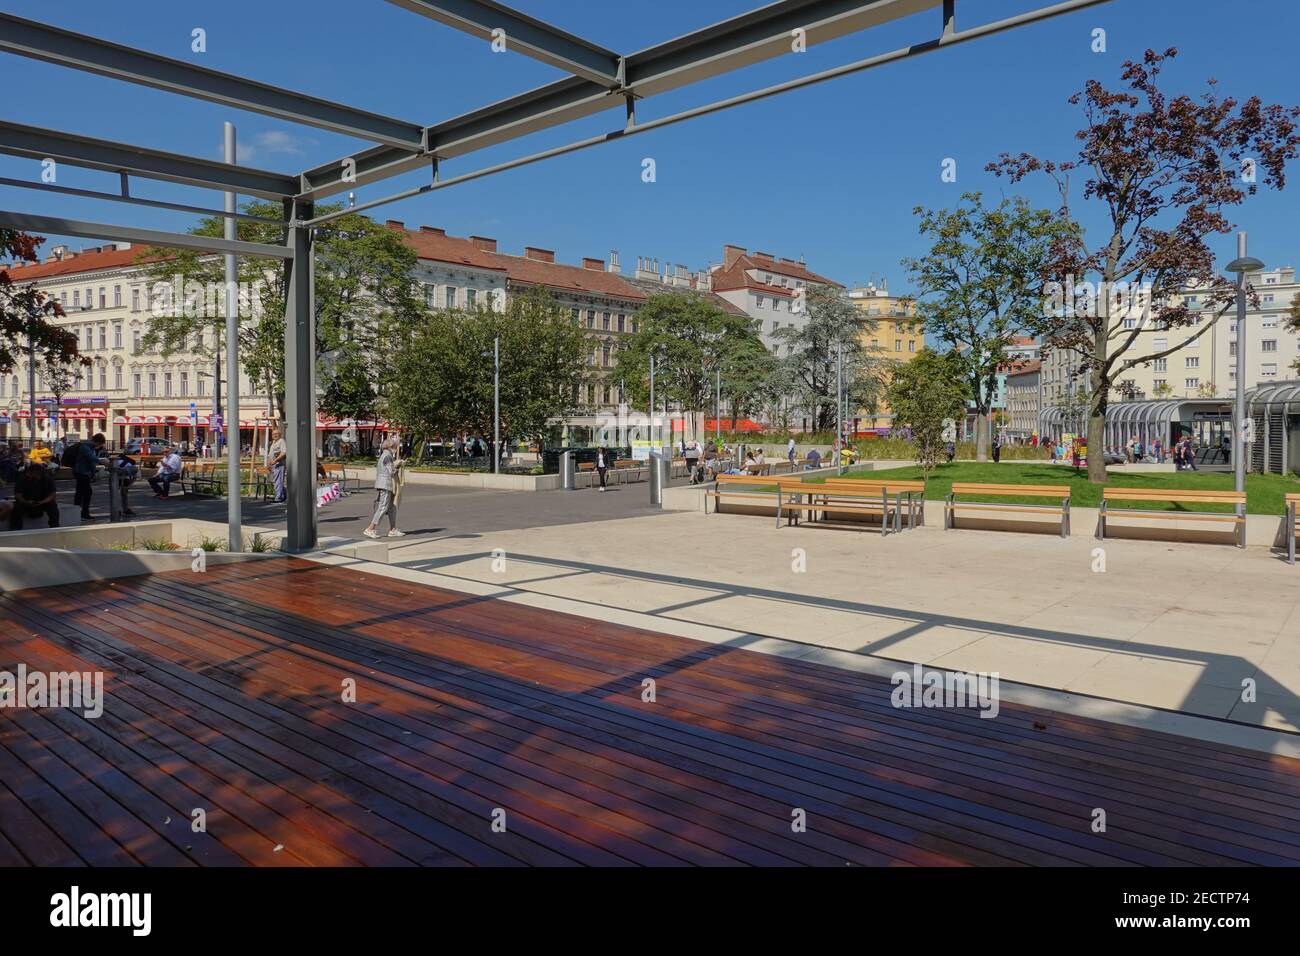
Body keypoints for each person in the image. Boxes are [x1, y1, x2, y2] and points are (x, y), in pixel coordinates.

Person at [363, 435, 405, 538]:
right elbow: (392, 471)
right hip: (385, 484)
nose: (395, 448)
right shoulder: (387, 456)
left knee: (391, 507)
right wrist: (400, 464)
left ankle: (393, 529)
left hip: (386, 484)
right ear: (390, 446)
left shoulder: (385, 455)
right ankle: (370, 528)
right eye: (394, 446)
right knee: (383, 507)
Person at [72, 433, 105, 521]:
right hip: (80, 472)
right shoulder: (85, 447)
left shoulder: (91, 447)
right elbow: (91, 458)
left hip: (84, 472)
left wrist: (93, 473)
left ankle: (77, 513)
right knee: (87, 492)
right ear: (97, 441)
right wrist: (103, 462)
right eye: (99, 444)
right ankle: (84, 514)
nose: (99, 446)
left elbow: (91, 463)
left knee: (80, 493)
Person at [114, 451, 140, 516]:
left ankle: (117, 509)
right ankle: (125, 509)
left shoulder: (116, 462)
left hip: (116, 479)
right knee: (124, 495)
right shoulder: (130, 463)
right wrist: (129, 485)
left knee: (115, 495)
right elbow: (135, 476)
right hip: (124, 479)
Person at [266, 428, 287, 502]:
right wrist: (268, 464)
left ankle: (279, 498)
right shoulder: (273, 442)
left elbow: (284, 453)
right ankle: (283, 494)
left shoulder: (281, 441)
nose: (275, 435)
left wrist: (275, 460)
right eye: (273, 434)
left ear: (280, 435)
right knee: (276, 481)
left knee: (278, 481)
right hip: (273, 464)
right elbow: (270, 454)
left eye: (276, 434)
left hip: (279, 464)